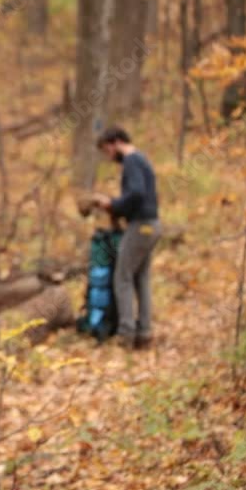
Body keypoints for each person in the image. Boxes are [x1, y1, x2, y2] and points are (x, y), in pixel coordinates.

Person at [92, 127, 162, 349]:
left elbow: (137, 193)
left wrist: (112, 204)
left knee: (122, 277)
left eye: (107, 150)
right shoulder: (141, 159)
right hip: (152, 225)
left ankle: (126, 335)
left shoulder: (131, 161)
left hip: (141, 226)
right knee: (141, 278)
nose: (108, 156)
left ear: (115, 143)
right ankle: (144, 332)